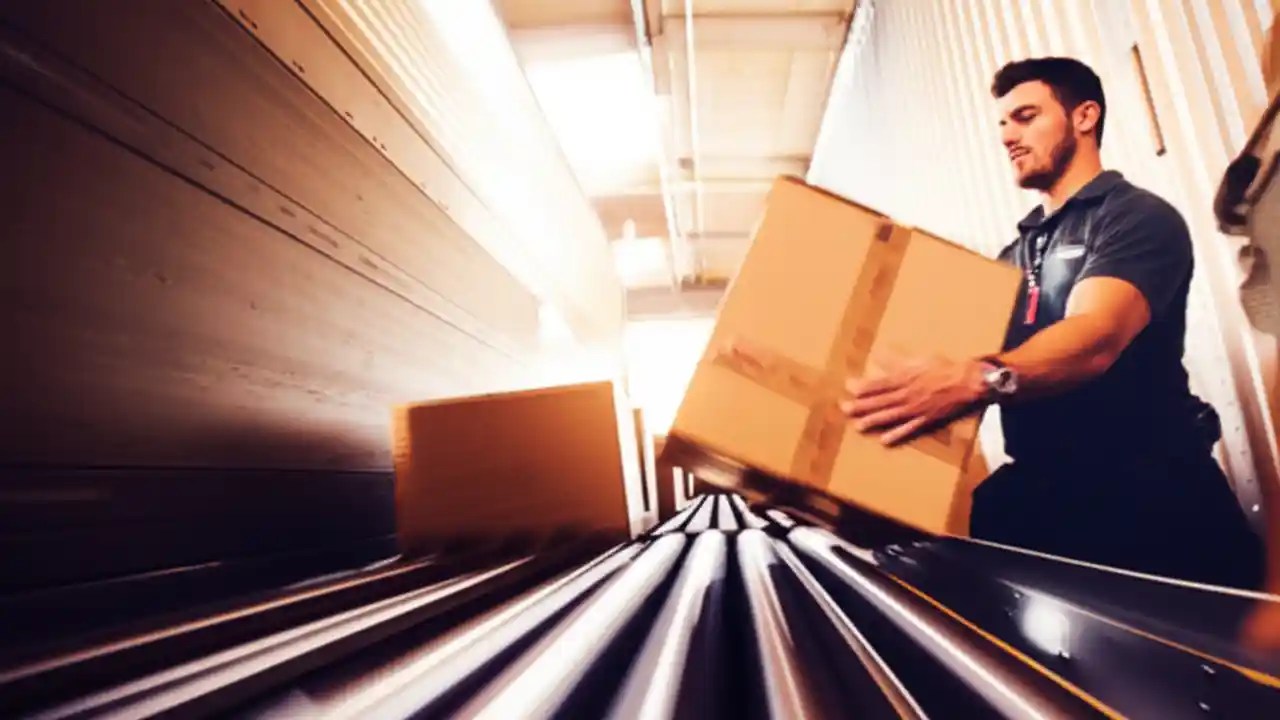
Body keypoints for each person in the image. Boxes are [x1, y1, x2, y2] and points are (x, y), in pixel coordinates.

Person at [841, 56, 1266, 590]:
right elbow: (934, 385)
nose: (1007, 137)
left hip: (1152, 507)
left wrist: (977, 378)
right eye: (1001, 124)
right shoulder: (1010, 257)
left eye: (1024, 117)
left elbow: (1096, 338)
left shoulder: (1134, 217)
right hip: (1044, 514)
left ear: (1084, 116)